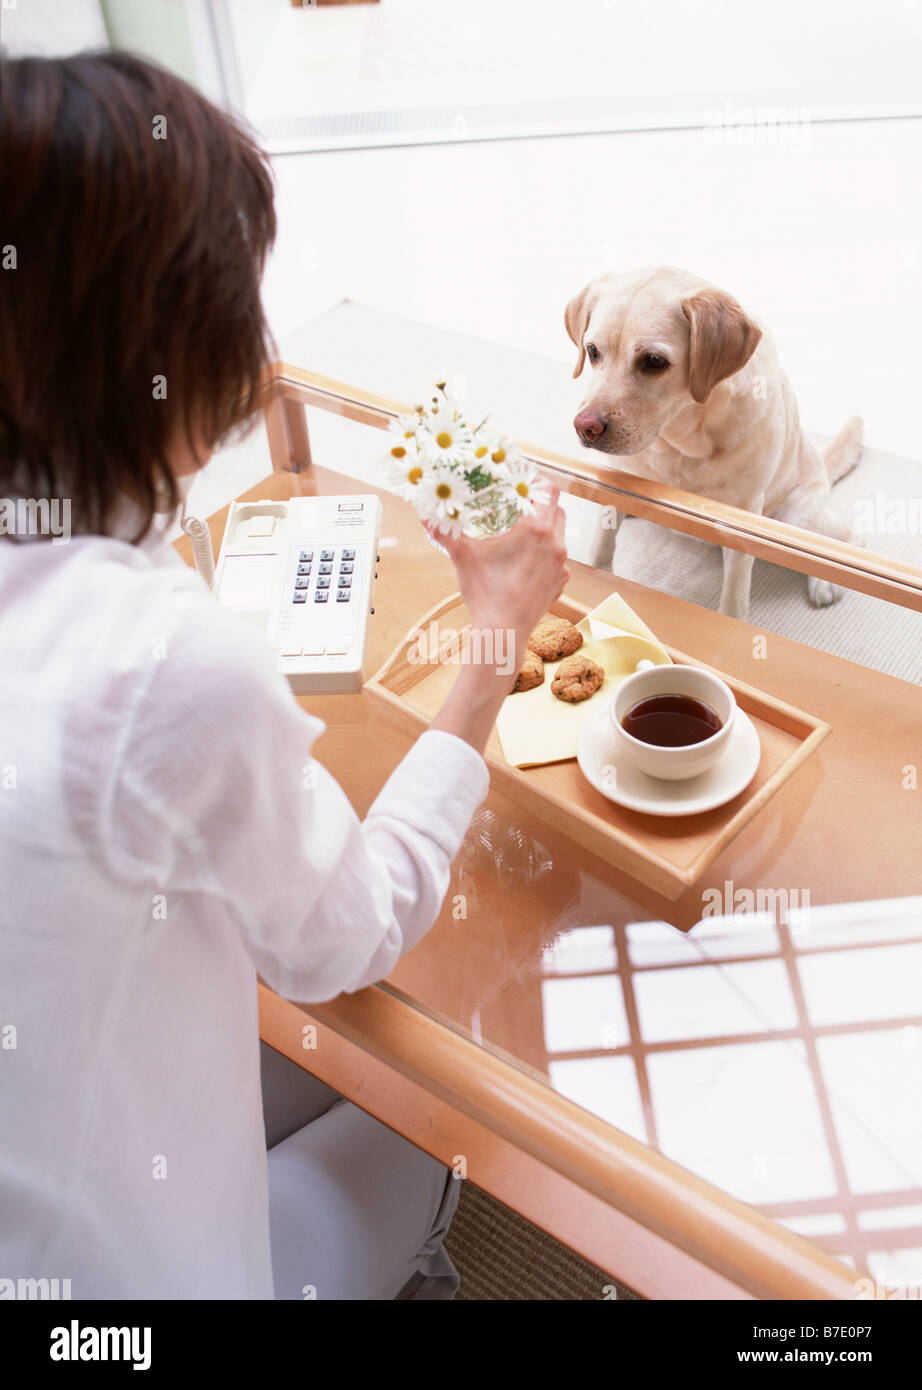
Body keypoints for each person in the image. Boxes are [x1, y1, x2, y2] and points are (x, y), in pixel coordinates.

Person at [0, 52, 569, 1299]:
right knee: (457, 1108)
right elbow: (350, 936)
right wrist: (490, 641)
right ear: (177, 354)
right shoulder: (157, 668)